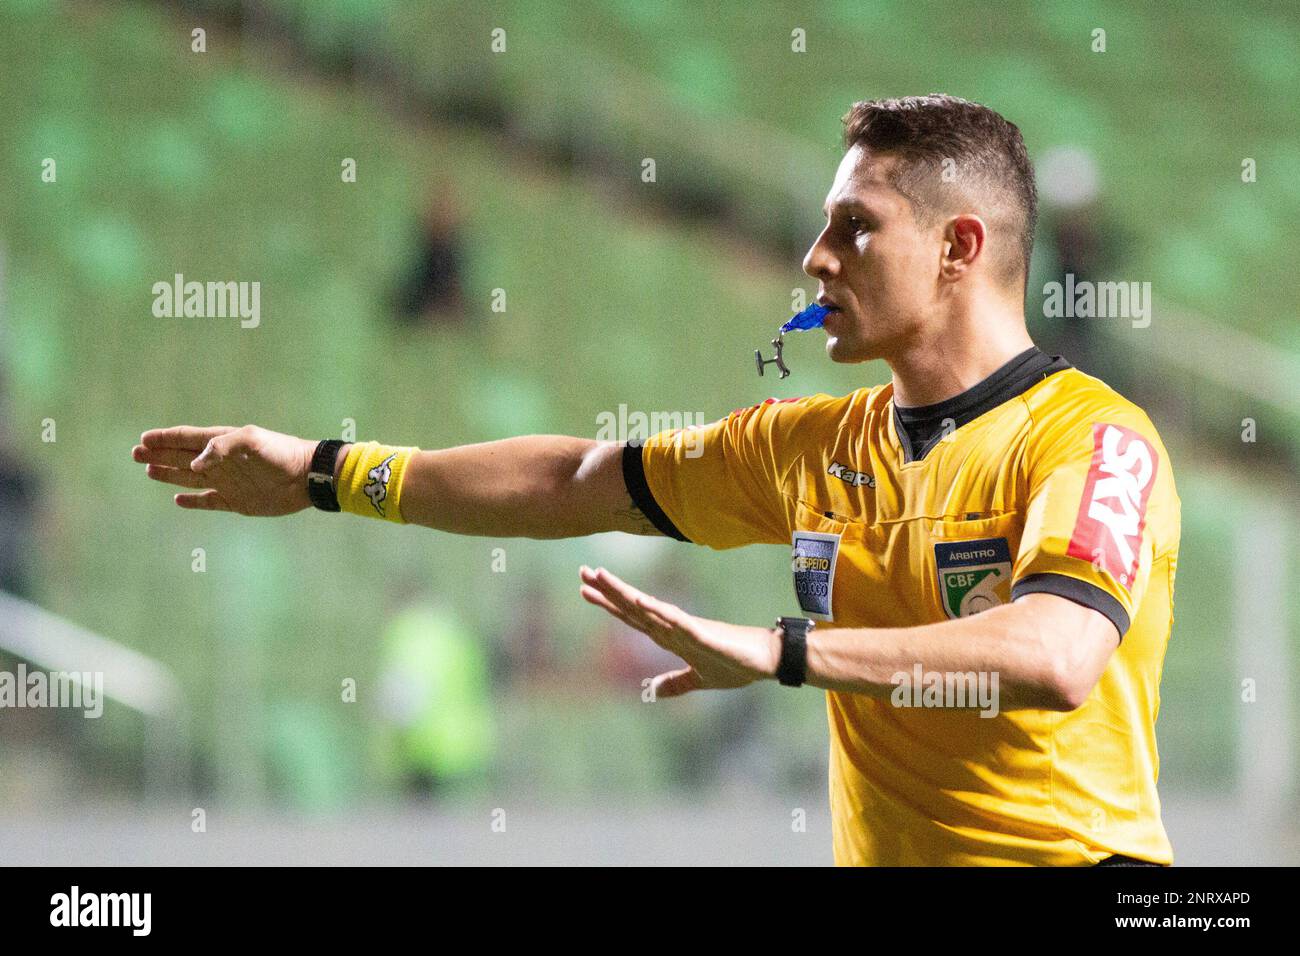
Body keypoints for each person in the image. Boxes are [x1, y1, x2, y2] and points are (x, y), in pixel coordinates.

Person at [133, 95, 1179, 867]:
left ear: (959, 248)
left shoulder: (1090, 439)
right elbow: (576, 479)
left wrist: (781, 650)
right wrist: (326, 471)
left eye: (854, 224)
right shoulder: (812, 447)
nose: (815, 258)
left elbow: (1055, 652)